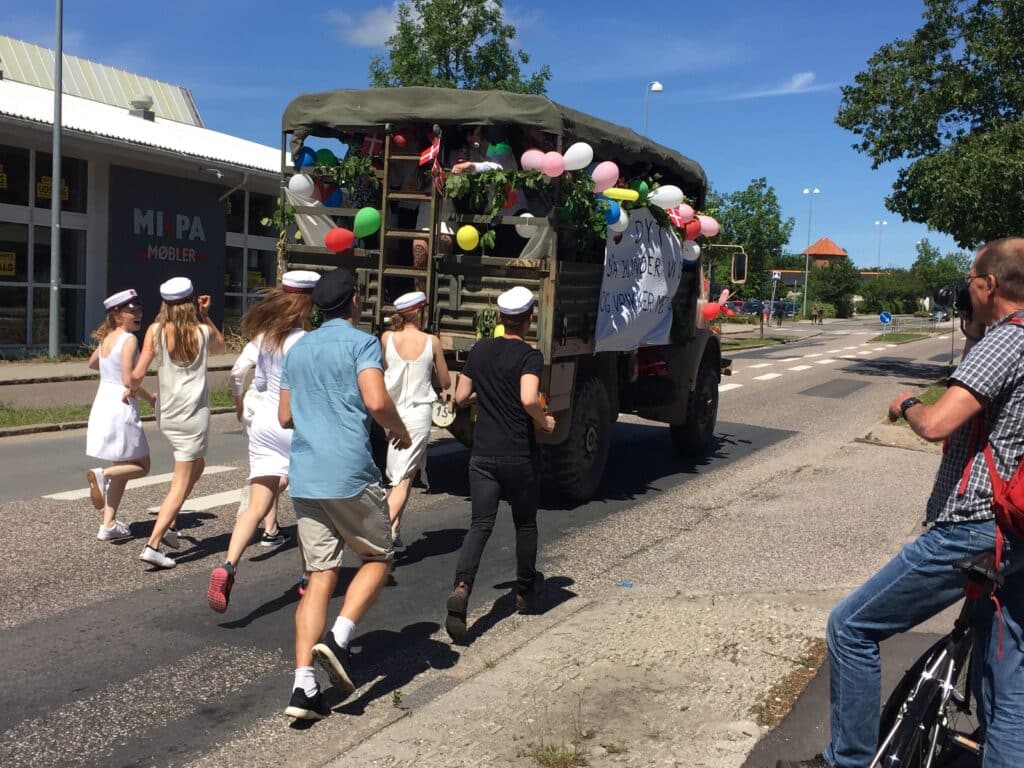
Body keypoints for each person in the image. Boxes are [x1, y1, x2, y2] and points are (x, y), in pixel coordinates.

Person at [778, 237, 1024, 768]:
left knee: (852, 627)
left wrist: (907, 402)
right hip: (1016, 532)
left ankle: (847, 760)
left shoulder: (1007, 341)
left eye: (972, 279)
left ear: (990, 284)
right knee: (1005, 680)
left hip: (974, 527)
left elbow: (938, 424)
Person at [278, 266, 412, 721]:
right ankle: (339, 635)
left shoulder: (297, 350)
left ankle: (303, 688)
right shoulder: (361, 343)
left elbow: (284, 416)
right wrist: (399, 430)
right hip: (349, 473)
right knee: (379, 556)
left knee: (319, 576)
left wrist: (318, 410)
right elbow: (375, 401)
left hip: (306, 476)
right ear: (354, 302)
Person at [444, 286, 556, 644]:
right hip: (518, 454)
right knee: (525, 523)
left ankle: (462, 587)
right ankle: (525, 590)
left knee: (480, 524)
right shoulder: (529, 356)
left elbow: (461, 397)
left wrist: (484, 393)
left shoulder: (479, 351)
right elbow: (527, 398)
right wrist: (544, 422)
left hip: (483, 454)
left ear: (501, 318)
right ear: (527, 319)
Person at [206, 270, 319, 613]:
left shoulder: (265, 336)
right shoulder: (308, 341)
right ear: (307, 303)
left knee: (256, 505)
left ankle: (228, 564)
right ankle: (306, 577)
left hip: (264, 426)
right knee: (307, 509)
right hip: (293, 424)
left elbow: (238, 372)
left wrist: (240, 401)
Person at [128, 277, 226, 570]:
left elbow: (137, 374)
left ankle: (169, 527)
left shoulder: (155, 331)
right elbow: (221, 347)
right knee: (181, 480)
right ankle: (153, 544)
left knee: (198, 466)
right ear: (190, 302)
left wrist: (132, 387)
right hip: (193, 415)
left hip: (167, 414)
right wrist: (207, 315)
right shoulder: (201, 332)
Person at [381, 291, 451, 548]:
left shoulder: (387, 338)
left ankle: (394, 530)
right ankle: (381, 532)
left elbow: (384, 370)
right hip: (418, 414)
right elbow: (444, 382)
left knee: (399, 472)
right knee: (405, 477)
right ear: (420, 312)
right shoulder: (432, 341)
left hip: (391, 413)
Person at [85, 289, 155, 541]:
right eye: (131, 311)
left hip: (104, 400)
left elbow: (93, 363)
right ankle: (103, 475)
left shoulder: (107, 338)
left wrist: (109, 367)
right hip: (121, 405)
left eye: (138, 309)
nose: (138, 314)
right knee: (141, 466)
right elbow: (129, 380)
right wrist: (150, 398)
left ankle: (109, 524)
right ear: (116, 315)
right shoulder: (128, 340)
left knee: (123, 465)